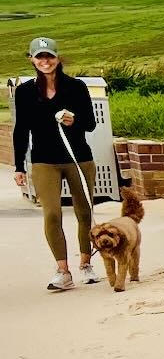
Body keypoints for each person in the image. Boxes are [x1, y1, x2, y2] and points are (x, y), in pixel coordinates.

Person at [12, 37, 101, 291]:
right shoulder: (25, 92)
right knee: (52, 213)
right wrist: (19, 166)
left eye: (49, 56)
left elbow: (91, 123)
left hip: (78, 158)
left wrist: (75, 120)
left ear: (57, 58)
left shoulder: (76, 87)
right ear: (31, 60)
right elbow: (21, 130)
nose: (45, 61)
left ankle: (86, 263)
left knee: (84, 211)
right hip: (44, 160)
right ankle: (63, 271)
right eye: (39, 57)